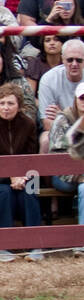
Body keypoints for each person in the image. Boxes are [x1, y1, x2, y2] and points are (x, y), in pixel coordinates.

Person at [0, 82, 43, 261]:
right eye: (2, 103)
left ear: (19, 105)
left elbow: (31, 156)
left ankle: (36, 245)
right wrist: (11, 176)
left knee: (32, 190)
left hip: (25, 173)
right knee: (3, 191)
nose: (6, 108)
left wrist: (22, 178)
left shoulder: (29, 124)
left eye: (10, 103)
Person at [47, 80, 84, 248]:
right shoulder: (63, 119)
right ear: (75, 99)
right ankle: (81, 243)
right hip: (64, 176)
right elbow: (57, 154)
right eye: (82, 98)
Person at [36, 38, 84, 152]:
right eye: (70, 60)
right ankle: (48, 170)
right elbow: (47, 123)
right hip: (59, 128)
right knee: (45, 140)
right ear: (62, 59)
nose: (74, 64)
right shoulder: (48, 79)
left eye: (79, 60)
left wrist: (61, 114)